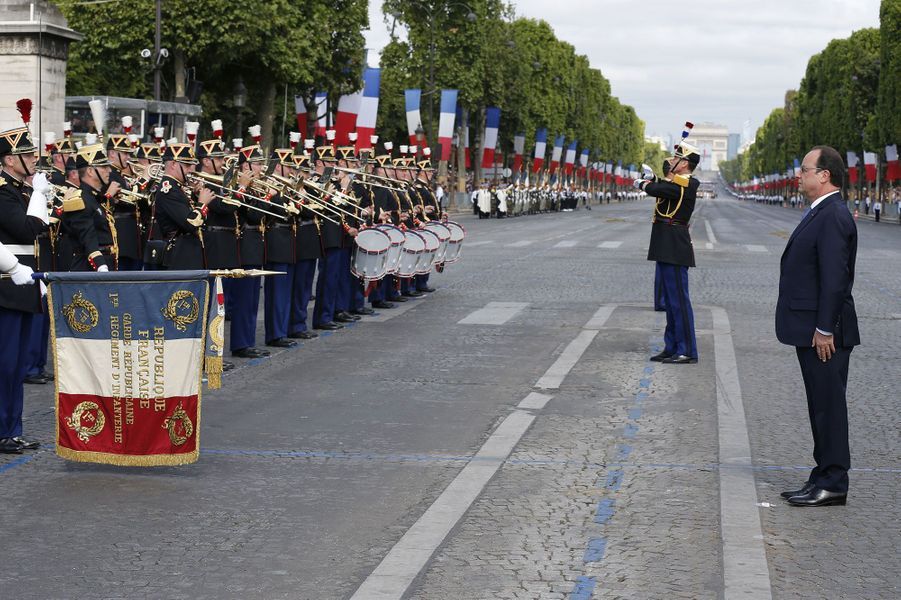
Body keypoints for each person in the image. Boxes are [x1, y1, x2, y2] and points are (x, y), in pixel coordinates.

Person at [776, 146, 859, 507]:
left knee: (829, 407)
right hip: (814, 328)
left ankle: (834, 480)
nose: (800, 175)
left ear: (824, 175)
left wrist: (825, 328)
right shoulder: (822, 212)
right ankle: (822, 474)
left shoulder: (833, 216)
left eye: (806, 170)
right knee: (819, 406)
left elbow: (835, 280)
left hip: (825, 332)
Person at [0, 124, 48, 453]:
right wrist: (41, 195)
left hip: (24, 284)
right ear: (8, 160)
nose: (33, 158)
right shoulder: (3, 191)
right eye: (26, 154)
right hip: (6, 283)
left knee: (16, 366)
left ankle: (11, 428)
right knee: (5, 363)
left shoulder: (20, 190)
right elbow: (27, 228)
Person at [636, 140, 700, 364]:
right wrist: (652, 180)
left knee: (679, 302)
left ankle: (687, 350)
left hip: (675, 246)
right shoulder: (677, 184)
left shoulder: (687, 185)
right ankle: (672, 346)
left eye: (676, 159)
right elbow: (664, 188)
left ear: (684, 164)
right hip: (666, 245)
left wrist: (645, 184)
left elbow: (663, 189)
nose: (671, 161)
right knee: (671, 304)